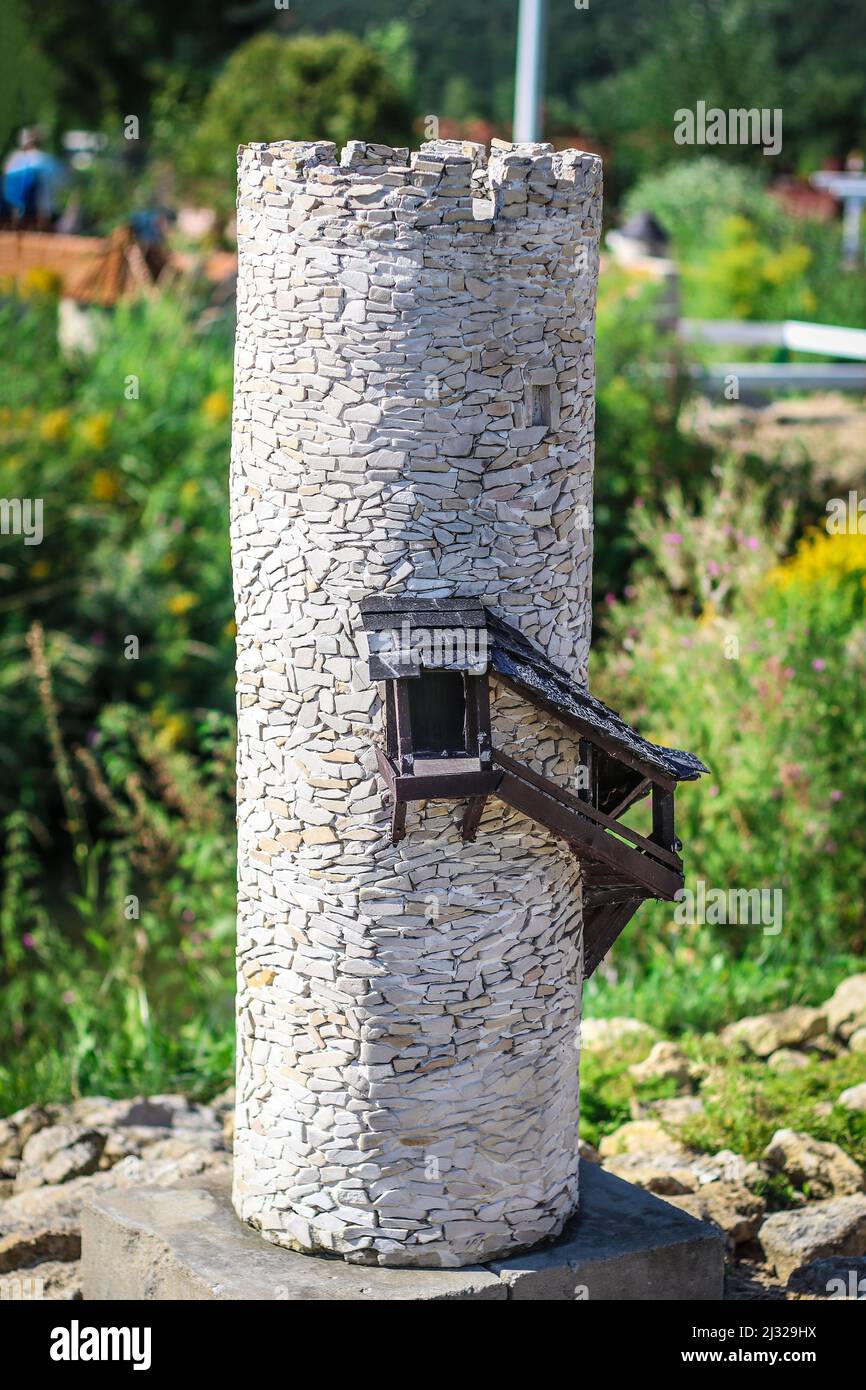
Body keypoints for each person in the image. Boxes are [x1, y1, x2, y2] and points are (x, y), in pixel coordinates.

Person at [3, 126, 64, 227]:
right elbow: (60, 181)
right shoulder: (45, 159)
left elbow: (6, 178)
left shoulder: (14, 158)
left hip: (14, 206)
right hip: (41, 209)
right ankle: (43, 228)